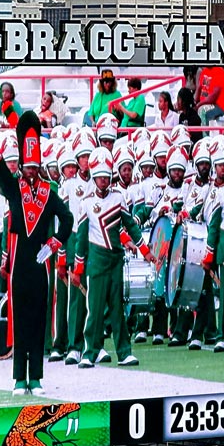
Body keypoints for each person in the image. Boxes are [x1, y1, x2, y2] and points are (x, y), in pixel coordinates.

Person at [0, 112, 73, 395]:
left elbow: (68, 219)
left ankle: (36, 377)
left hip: (40, 263)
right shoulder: (14, 188)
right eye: (28, 167)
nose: (32, 172)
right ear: (22, 166)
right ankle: (18, 379)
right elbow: (2, 177)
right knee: (20, 319)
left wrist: (54, 244)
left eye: (36, 168)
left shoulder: (50, 191)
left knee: (37, 320)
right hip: (19, 263)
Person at [73, 147, 153, 367]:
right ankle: (90, 353)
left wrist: (144, 250)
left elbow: (131, 226)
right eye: (98, 178)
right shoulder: (86, 202)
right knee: (95, 310)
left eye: (106, 178)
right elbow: (80, 239)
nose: (102, 182)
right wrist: (78, 269)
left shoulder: (118, 197)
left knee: (118, 308)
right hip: (96, 261)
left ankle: (124, 352)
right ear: (93, 177)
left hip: (116, 259)